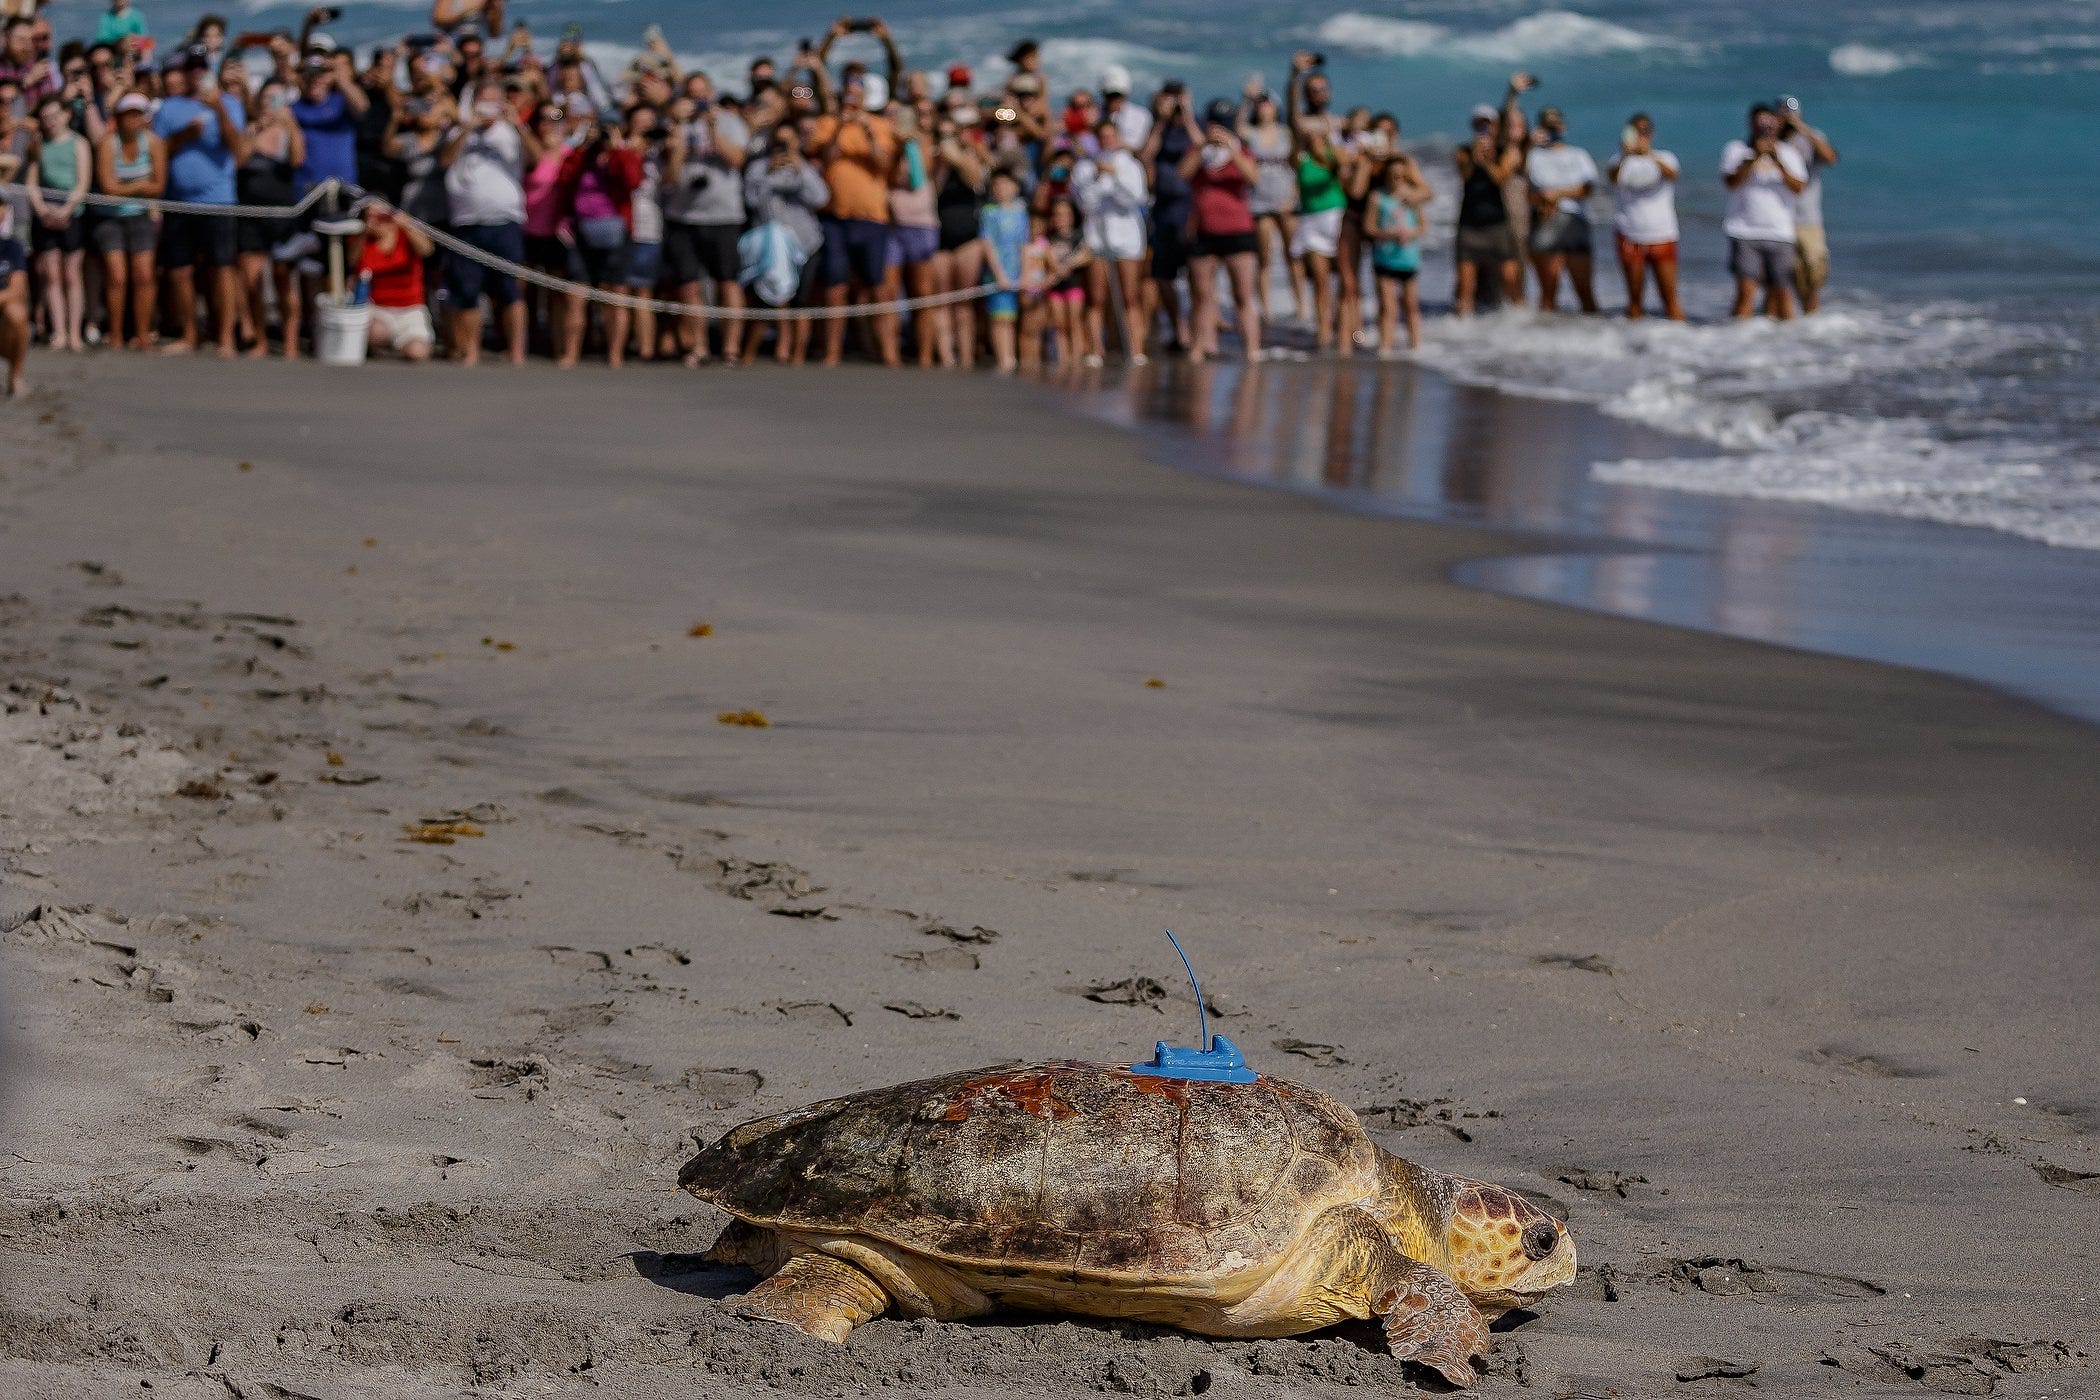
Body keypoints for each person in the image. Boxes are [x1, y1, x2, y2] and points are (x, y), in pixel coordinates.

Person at [152, 49, 246, 356]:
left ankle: (226, 337)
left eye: (201, 66)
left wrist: (219, 110)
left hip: (219, 201)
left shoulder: (229, 103)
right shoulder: (169, 107)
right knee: (179, 270)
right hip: (179, 202)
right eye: (191, 67)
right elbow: (157, 151)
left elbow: (238, 149)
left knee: (222, 268)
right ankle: (190, 334)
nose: (196, 72)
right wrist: (185, 135)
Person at [807, 71, 900, 367]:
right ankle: (833, 351)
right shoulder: (827, 123)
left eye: (857, 95)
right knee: (834, 286)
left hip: (872, 218)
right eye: (849, 94)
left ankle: (889, 352)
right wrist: (839, 127)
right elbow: (827, 157)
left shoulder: (880, 125)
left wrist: (867, 130)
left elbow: (884, 164)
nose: (852, 100)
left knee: (878, 287)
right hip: (834, 217)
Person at [439, 77, 533, 364]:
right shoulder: (459, 130)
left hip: (505, 220)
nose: (488, 106)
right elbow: (444, 160)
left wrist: (518, 124)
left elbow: (537, 159)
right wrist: (467, 127)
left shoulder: (512, 132)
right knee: (468, 290)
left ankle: (516, 353)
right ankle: (472, 351)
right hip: (467, 221)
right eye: (483, 100)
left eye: (494, 100)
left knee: (510, 290)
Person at [661, 72, 749, 367]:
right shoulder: (676, 124)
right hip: (683, 216)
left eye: (703, 93)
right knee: (688, 285)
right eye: (692, 94)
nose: (698, 99)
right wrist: (678, 130)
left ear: (712, 93)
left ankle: (730, 349)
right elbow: (670, 177)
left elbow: (737, 159)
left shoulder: (730, 122)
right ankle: (698, 347)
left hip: (723, 216)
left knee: (728, 282)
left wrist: (712, 128)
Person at [554, 112, 642, 367]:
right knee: (575, 295)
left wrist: (619, 148)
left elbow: (633, 180)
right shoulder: (582, 158)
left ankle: (615, 354)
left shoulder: (622, 155)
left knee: (615, 295)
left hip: (616, 233)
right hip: (581, 233)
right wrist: (581, 145)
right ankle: (571, 353)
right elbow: (564, 177)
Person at [739, 122, 828, 365]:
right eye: (779, 141)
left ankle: (797, 355)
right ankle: (750, 353)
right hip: (771, 244)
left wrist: (800, 168)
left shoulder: (805, 167)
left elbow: (821, 198)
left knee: (801, 301)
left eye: (788, 142)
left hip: (805, 242)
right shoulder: (758, 168)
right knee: (767, 298)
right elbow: (751, 201)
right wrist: (769, 174)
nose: (783, 147)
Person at [1180, 98, 1260, 364]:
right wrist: (1203, 145)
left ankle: (1252, 351)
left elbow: (1253, 178)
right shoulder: (1199, 152)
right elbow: (1183, 173)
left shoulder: (1241, 150)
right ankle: (1198, 348)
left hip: (1238, 231)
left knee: (1243, 294)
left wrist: (1231, 148)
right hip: (1203, 231)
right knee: (1201, 296)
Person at [234, 77, 305, 357]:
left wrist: (290, 125)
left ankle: (290, 343)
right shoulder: (249, 129)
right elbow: (238, 162)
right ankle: (260, 340)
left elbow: (298, 159)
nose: (270, 104)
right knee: (251, 280)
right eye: (266, 98)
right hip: (251, 214)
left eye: (276, 99)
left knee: (284, 278)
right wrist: (254, 134)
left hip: (283, 214)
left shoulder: (289, 131)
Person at [1070, 116, 1146, 365]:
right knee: (1096, 297)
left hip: (1126, 239)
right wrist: (1097, 177)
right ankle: (1096, 349)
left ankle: (1135, 348)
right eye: (1102, 137)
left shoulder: (1131, 165)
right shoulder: (1084, 168)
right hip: (1098, 238)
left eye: (1111, 136)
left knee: (1130, 296)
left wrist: (1115, 175)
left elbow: (1135, 198)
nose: (1107, 141)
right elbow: (1085, 203)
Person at [1721, 104, 1806, 320]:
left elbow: (1798, 187)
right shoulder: (1737, 149)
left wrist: (1777, 161)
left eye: (1769, 123)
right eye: (1760, 123)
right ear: (1751, 124)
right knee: (1745, 291)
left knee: (1782, 292)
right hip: (1744, 230)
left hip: (1780, 232)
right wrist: (1753, 157)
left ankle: (1785, 338)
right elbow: (1730, 182)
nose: (1764, 128)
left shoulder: (1788, 153)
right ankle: (1739, 335)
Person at [94, 91, 162, 350]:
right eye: (128, 114)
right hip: (110, 219)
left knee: (144, 276)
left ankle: (142, 335)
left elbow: (158, 186)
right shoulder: (108, 143)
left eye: (137, 114)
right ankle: (116, 334)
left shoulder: (153, 143)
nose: (133, 120)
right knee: (117, 277)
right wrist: (141, 185)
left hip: (141, 217)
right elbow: (108, 187)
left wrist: (127, 187)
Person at [28, 95, 90, 352]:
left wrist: (65, 211)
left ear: (66, 115)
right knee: (51, 275)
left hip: (72, 213)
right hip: (46, 213)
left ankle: (75, 333)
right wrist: (43, 211)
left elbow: (83, 183)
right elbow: (32, 184)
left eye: (54, 115)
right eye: (45, 117)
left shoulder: (79, 143)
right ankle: (59, 332)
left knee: (72, 275)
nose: (50, 121)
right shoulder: (39, 144)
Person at [1139, 81, 1197, 353]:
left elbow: (1203, 148)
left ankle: (1198, 331)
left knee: (1196, 274)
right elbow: (1145, 156)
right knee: (1162, 275)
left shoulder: (1194, 125)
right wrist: (1160, 122)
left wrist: (1187, 114)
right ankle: (1178, 329)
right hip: (1163, 209)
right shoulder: (1156, 128)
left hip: (1190, 208)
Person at [1606, 113, 1681, 321]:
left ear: (1652, 134)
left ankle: (1679, 336)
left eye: (1645, 131)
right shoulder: (1619, 161)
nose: (1641, 135)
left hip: (1662, 234)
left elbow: (1672, 174)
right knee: (1634, 300)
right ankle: (1636, 338)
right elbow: (1612, 177)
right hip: (1629, 234)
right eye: (1636, 131)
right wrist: (1626, 154)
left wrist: (1648, 154)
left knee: (1670, 299)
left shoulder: (1665, 157)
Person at [888, 105, 947, 367]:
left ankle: (924, 355)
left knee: (922, 292)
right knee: (888, 293)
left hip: (922, 226)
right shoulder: (889, 146)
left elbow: (919, 177)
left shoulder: (927, 145)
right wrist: (897, 147)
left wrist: (911, 146)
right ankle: (891, 356)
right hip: (892, 225)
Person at [1524, 106, 1598, 313]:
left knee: (1585, 292)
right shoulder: (1533, 156)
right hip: (1545, 221)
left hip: (1575, 221)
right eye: (1547, 126)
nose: (1552, 130)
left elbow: (1587, 188)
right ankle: (1547, 332)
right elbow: (1524, 188)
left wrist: (1555, 194)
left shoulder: (1578, 154)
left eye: (1555, 125)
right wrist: (1527, 144)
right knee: (1548, 294)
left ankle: (1595, 331)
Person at [927, 107, 985, 367]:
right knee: (941, 300)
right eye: (943, 135)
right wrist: (942, 163)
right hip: (940, 237)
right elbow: (933, 193)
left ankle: (967, 357)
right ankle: (947, 358)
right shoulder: (934, 161)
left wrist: (958, 158)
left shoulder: (969, 156)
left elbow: (975, 181)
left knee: (964, 302)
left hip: (967, 237)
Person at [1452, 99, 1521, 315]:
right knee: (1465, 284)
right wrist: (1475, 156)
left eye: (1487, 123)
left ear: (1496, 125)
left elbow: (1500, 178)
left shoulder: (1504, 151)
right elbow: (1464, 175)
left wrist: (1488, 161)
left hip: (1497, 224)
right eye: (1479, 123)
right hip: (1469, 225)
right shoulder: (1463, 151)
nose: (1484, 127)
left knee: (1510, 279)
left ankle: (1519, 323)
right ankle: (1463, 324)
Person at [1240, 91, 1302, 324]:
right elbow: (1238, 129)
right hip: (1260, 200)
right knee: (1264, 256)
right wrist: (1247, 100)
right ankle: (1266, 309)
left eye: (1267, 104)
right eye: (1260, 105)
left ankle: (1301, 307)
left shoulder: (1286, 133)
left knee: (1293, 255)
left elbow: (1297, 166)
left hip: (1286, 198)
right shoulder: (1252, 133)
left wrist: (1293, 196)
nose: (1263, 108)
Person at [351, 196, 435, 359]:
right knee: (375, 332)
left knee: (417, 353)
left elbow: (427, 250)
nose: (376, 222)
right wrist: (363, 232)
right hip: (378, 308)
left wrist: (408, 225)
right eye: (370, 217)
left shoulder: (405, 235)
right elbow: (352, 261)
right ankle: (379, 345)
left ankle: (404, 343)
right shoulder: (364, 241)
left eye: (380, 216)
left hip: (410, 308)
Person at [1778, 96, 1837, 314]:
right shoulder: (1772, 140)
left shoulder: (1811, 137)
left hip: (1809, 219)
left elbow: (1830, 157)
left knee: (1813, 274)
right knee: (1782, 278)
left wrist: (1802, 128)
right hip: (1780, 220)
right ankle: (1783, 321)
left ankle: (1809, 321)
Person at [1367, 153, 1430, 354]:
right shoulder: (1378, 197)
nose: (1397, 180)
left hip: (1408, 257)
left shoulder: (1412, 196)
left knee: (1411, 305)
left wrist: (1410, 233)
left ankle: (1416, 347)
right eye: (1393, 176)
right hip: (1385, 257)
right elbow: (1369, 227)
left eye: (1401, 176)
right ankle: (1384, 349)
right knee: (1388, 306)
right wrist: (1389, 234)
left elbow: (1423, 226)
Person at [289, 49, 366, 197]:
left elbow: (362, 107)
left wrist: (336, 72)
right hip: (308, 191)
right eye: (308, 74)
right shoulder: (292, 109)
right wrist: (294, 74)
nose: (314, 79)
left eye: (319, 74)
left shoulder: (341, 102)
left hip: (345, 187)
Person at [975, 166, 1027, 372]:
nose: (1001, 188)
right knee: (999, 316)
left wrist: (1024, 273)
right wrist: (999, 274)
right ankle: (1003, 357)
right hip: (996, 274)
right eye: (997, 185)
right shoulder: (989, 212)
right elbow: (987, 244)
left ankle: (1010, 356)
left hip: (1015, 272)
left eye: (1006, 184)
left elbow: (1023, 244)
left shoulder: (1020, 212)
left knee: (1010, 316)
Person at [1039, 194, 1089, 366]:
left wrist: (1068, 264)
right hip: (1056, 288)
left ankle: (1077, 358)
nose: (1061, 218)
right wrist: (1058, 269)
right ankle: (1063, 359)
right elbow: (1049, 259)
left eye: (1066, 214)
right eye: (1058, 215)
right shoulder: (1049, 239)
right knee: (1059, 323)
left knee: (1074, 321)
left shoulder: (1078, 237)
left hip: (1074, 285)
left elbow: (1086, 255)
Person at [0, 204, 25, 395]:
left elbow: (17, 289)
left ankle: (15, 375)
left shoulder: (12, 247)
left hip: (3, 311)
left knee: (17, 313)